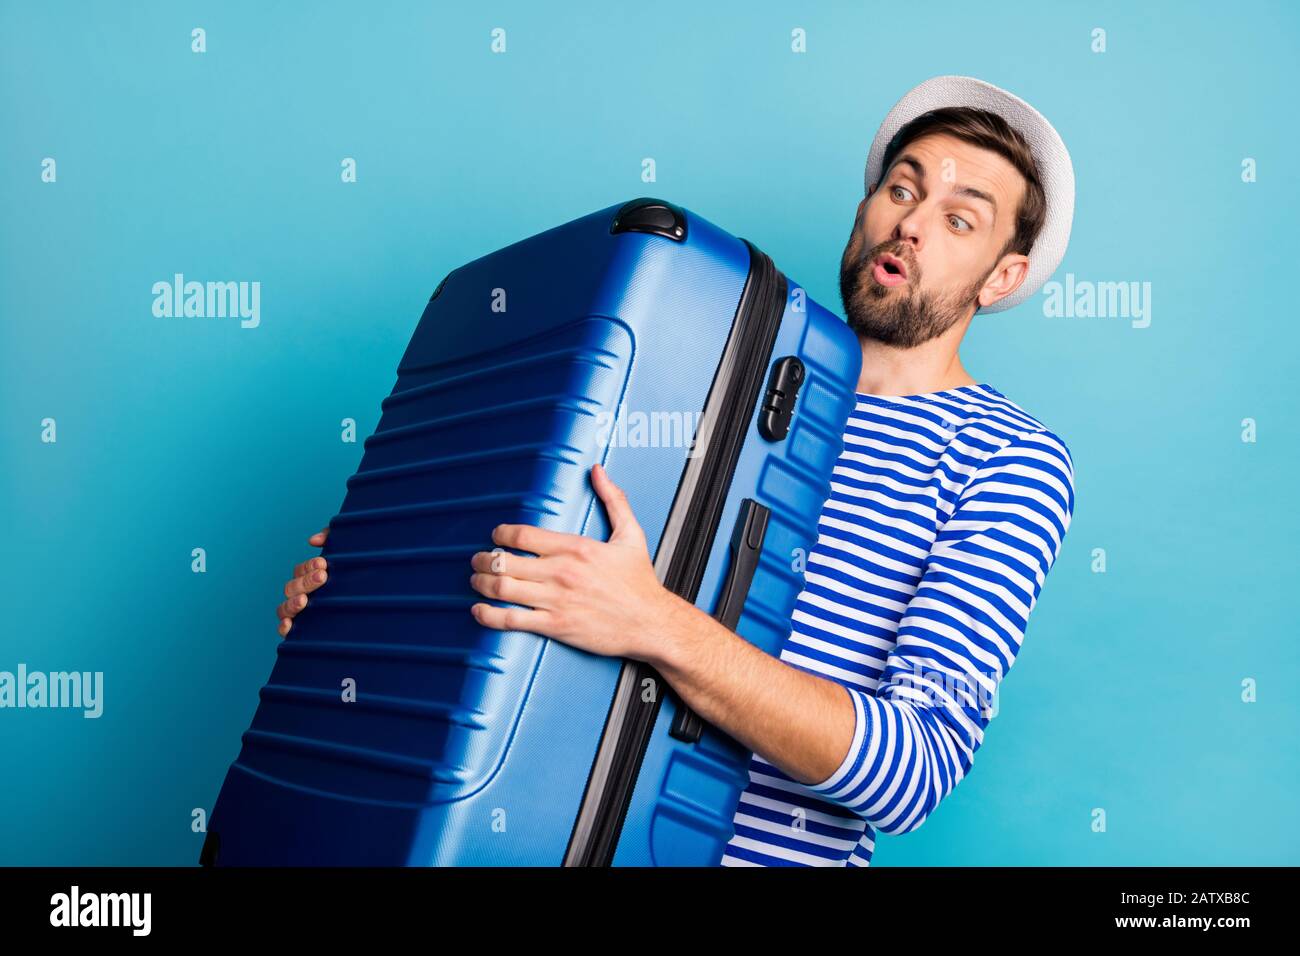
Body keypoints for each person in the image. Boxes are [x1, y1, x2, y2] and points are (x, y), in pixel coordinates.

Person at [275, 75, 1078, 867]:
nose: (911, 227)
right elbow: (557, 573)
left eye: (960, 219)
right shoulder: (706, 365)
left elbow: (914, 774)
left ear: (1002, 276)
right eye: (901, 191)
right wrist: (373, 601)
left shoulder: (1007, 459)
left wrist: (656, 625)